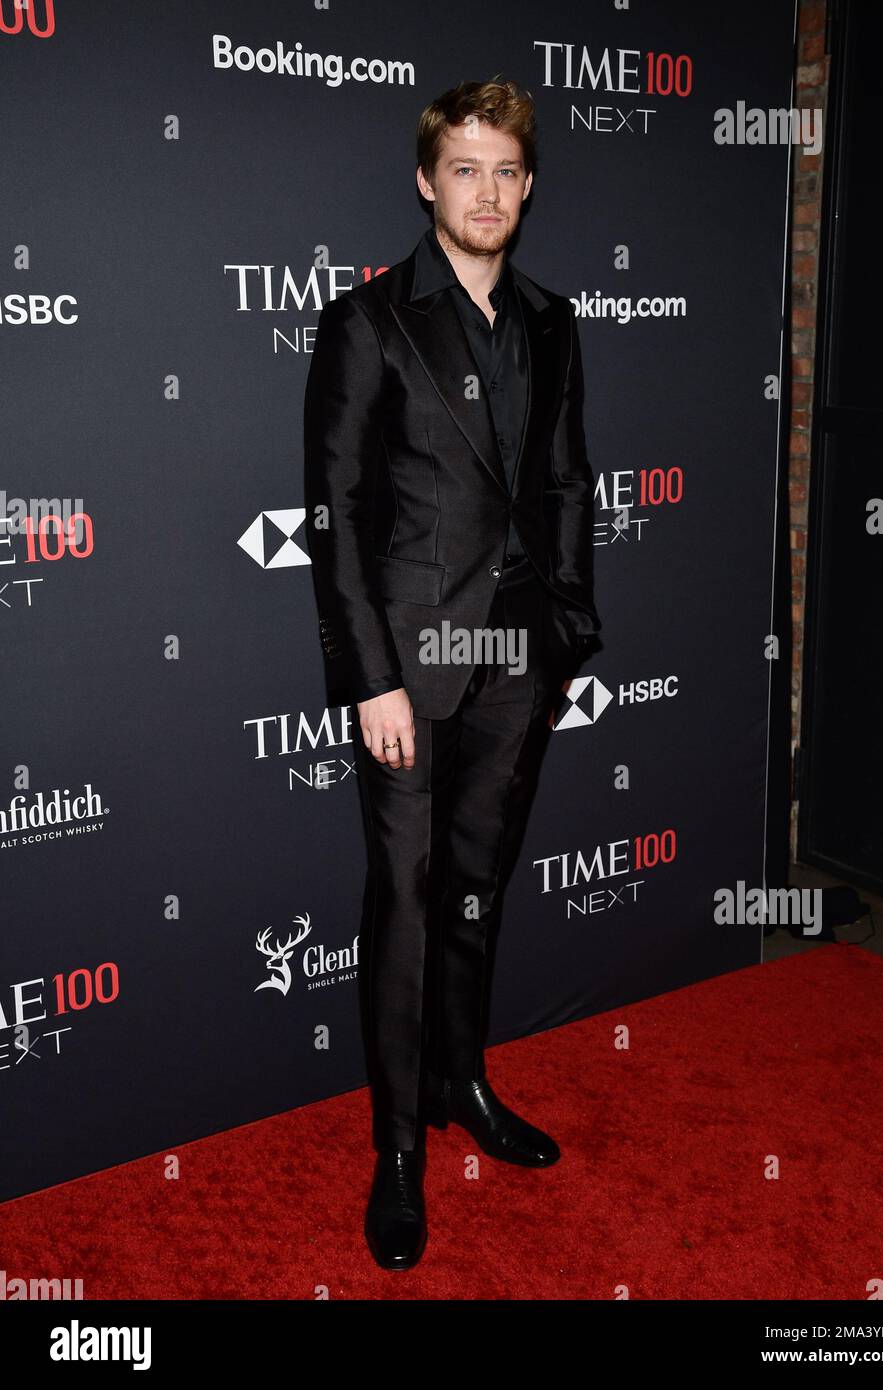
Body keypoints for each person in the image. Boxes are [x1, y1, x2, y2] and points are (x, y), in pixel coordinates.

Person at [303, 76, 601, 1270]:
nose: (487, 192)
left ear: (528, 187)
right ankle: (397, 1152)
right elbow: (334, 513)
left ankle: (461, 1083)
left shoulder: (551, 320)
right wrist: (369, 678)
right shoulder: (368, 321)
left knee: (479, 886)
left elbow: (570, 481)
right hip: (411, 667)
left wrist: (567, 625)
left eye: (506, 172)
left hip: (517, 656)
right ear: (427, 181)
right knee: (407, 901)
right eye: (464, 169)